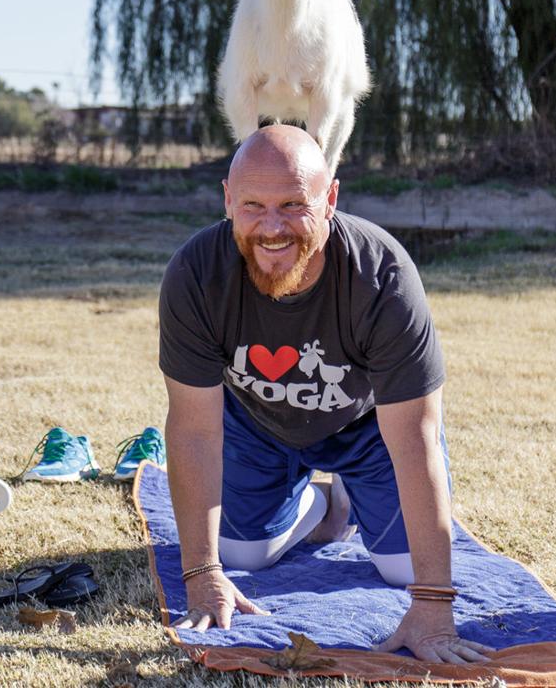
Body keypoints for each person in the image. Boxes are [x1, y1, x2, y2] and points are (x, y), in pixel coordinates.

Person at [158, 124, 492, 664]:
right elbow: (194, 428)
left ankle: (349, 487)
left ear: (330, 198)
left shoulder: (382, 275)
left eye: (294, 204)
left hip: (367, 428)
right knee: (242, 556)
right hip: (257, 425)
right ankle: (323, 506)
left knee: (406, 568)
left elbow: (415, 436)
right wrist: (201, 573)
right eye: (253, 205)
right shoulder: (195, 274)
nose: (272, 227)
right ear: (227, 199)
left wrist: (433, 603)